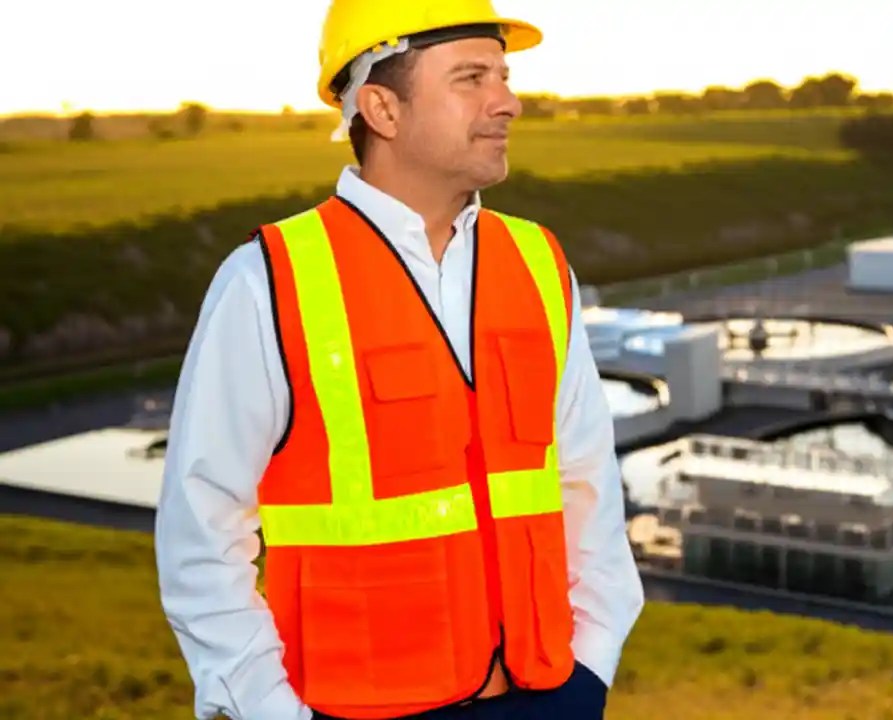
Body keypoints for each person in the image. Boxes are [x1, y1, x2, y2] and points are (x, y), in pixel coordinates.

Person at [153, 1, 645, 718]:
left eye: (503, 77)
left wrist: (590, 669)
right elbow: (200, 533)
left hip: (546, 696)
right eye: (471, 78)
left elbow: (587, 485)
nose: (508, 101)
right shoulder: (268, 281)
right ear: (382, 108)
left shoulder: (539, 263)